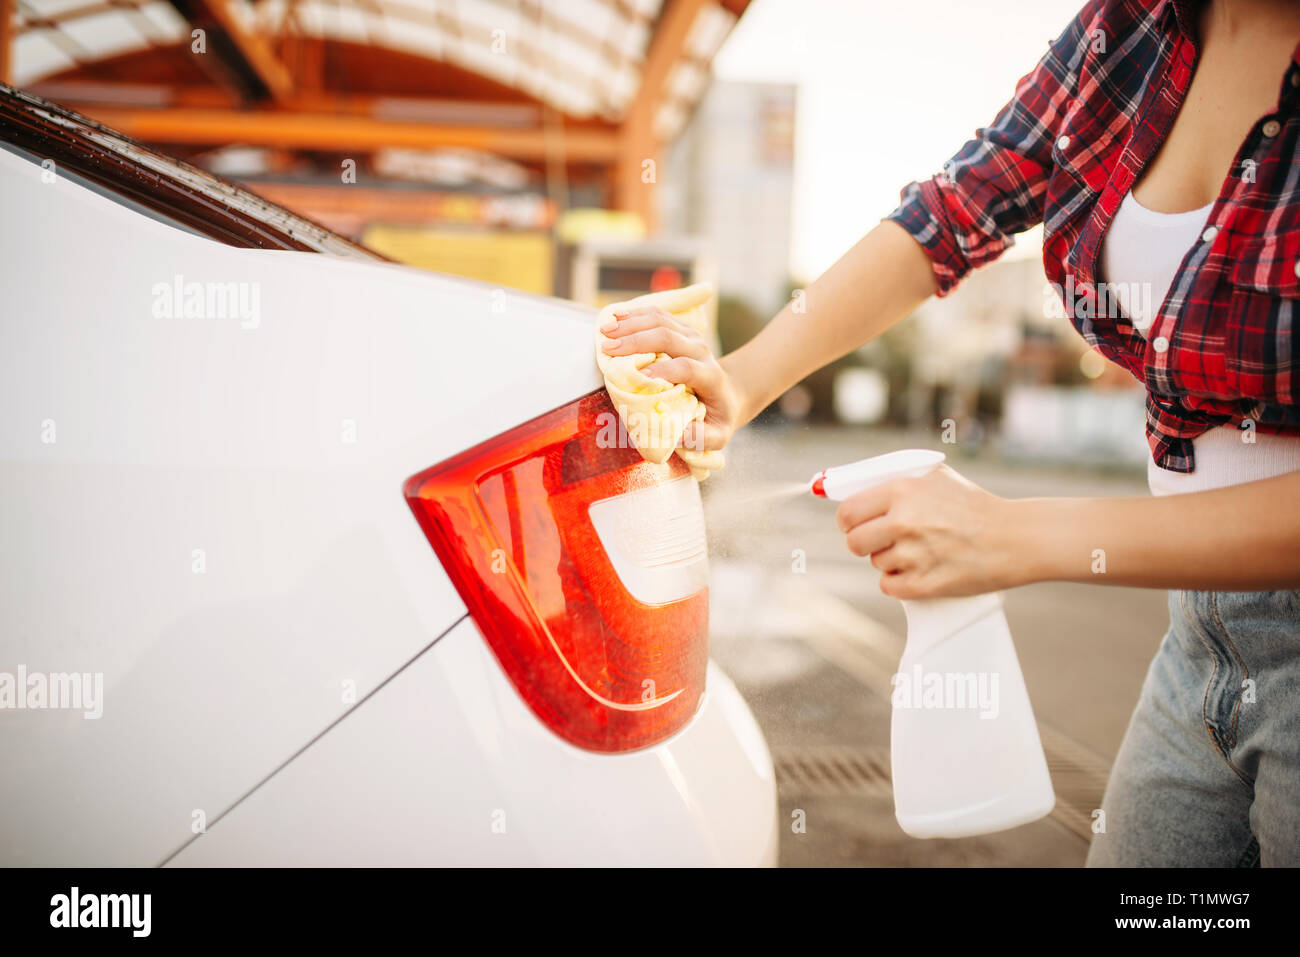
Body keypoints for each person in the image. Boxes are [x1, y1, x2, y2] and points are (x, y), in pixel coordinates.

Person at [599, 0, 1300, 866]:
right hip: (1200, 641)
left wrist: (1011, 534)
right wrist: (742, 377)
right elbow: (952, 209)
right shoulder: (1132, 26)